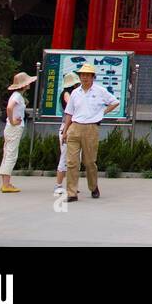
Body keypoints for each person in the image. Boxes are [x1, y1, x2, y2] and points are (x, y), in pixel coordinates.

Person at [61, 63, 119, 202]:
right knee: (71, 162)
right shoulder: (75, 92)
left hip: (91, 128)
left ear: (93, 77)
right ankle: (72, 192)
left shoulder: (100, 91)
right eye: (82, 75)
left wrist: (102, 112)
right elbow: (69, 112)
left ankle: (93, 187)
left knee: (89, 162)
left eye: (87, 75)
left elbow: (114, 102)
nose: (84, 78)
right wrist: (65, 131)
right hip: (75, 127)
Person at [0, 71, 36, 193]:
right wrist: (12, 120)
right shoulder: (17, 96)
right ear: (24, 85)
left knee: (8, 153)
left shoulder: (18, 96)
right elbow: (9, 107)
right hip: (14, 128)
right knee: (11, 155)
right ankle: (6, 184)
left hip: (12, 128)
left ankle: (6, 182)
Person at [54, 71, 80, 195]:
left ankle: (71, 184)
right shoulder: (66, 94)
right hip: (67, 128)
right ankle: (59, 184)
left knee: (75, 158)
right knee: (65, 157)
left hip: (75, 127)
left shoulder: (73, 94)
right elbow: (72, 107)